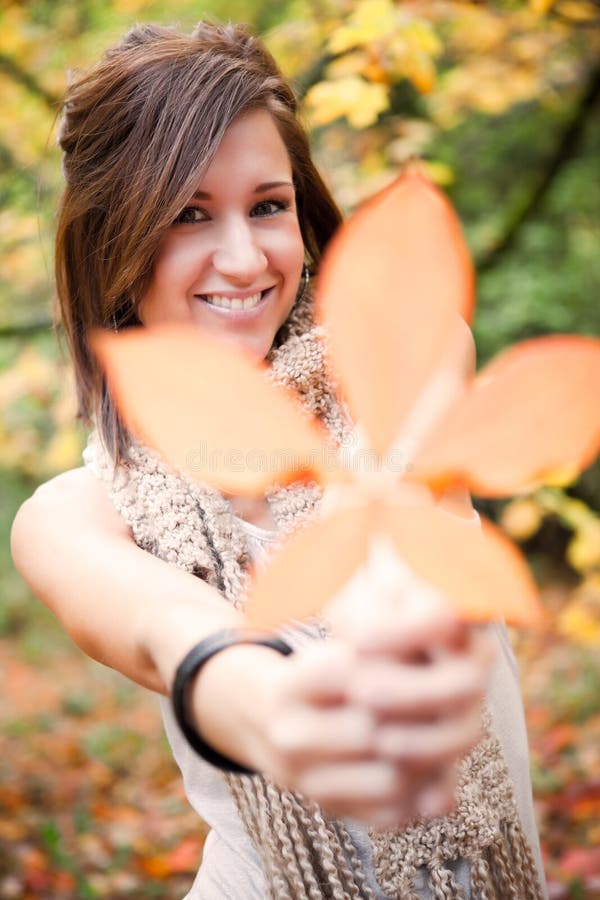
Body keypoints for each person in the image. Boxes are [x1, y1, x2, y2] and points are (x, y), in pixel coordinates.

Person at [11, 21, 547, 899]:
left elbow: (404, 514)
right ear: (113, 244)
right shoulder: (74, 516)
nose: (242, 257)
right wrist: (277, 708)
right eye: (189, 215)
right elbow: (170, 632)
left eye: (267, 205)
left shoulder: (404, 364)